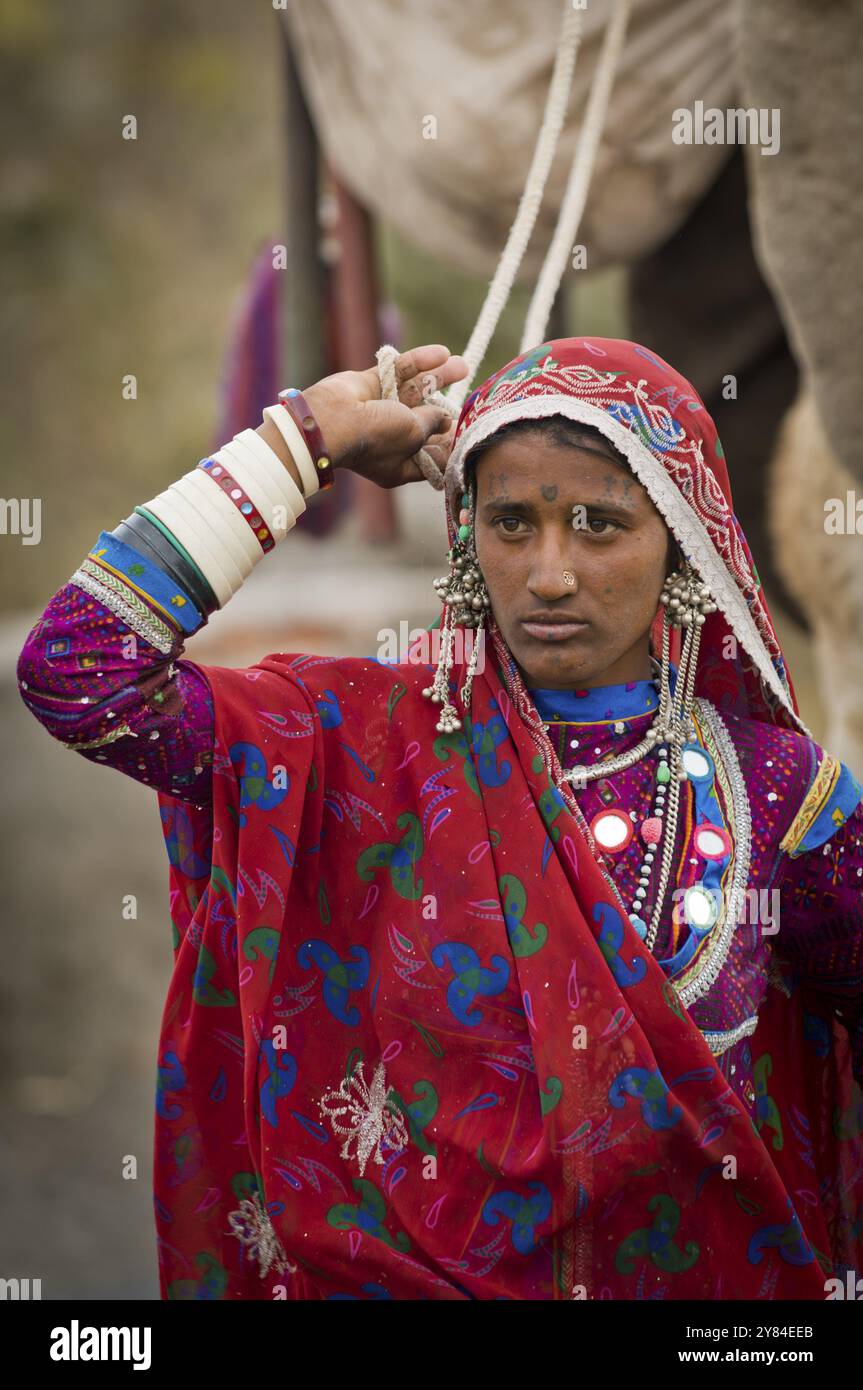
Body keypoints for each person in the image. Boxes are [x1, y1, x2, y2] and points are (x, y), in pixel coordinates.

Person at [17, 336, 863, 1301]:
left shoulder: (779, 793)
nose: (549, 574)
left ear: (679, 539)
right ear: (467, 538)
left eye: (599, 525)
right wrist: (304, 441)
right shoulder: (355, 742)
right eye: (511, 523)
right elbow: (79, 674)